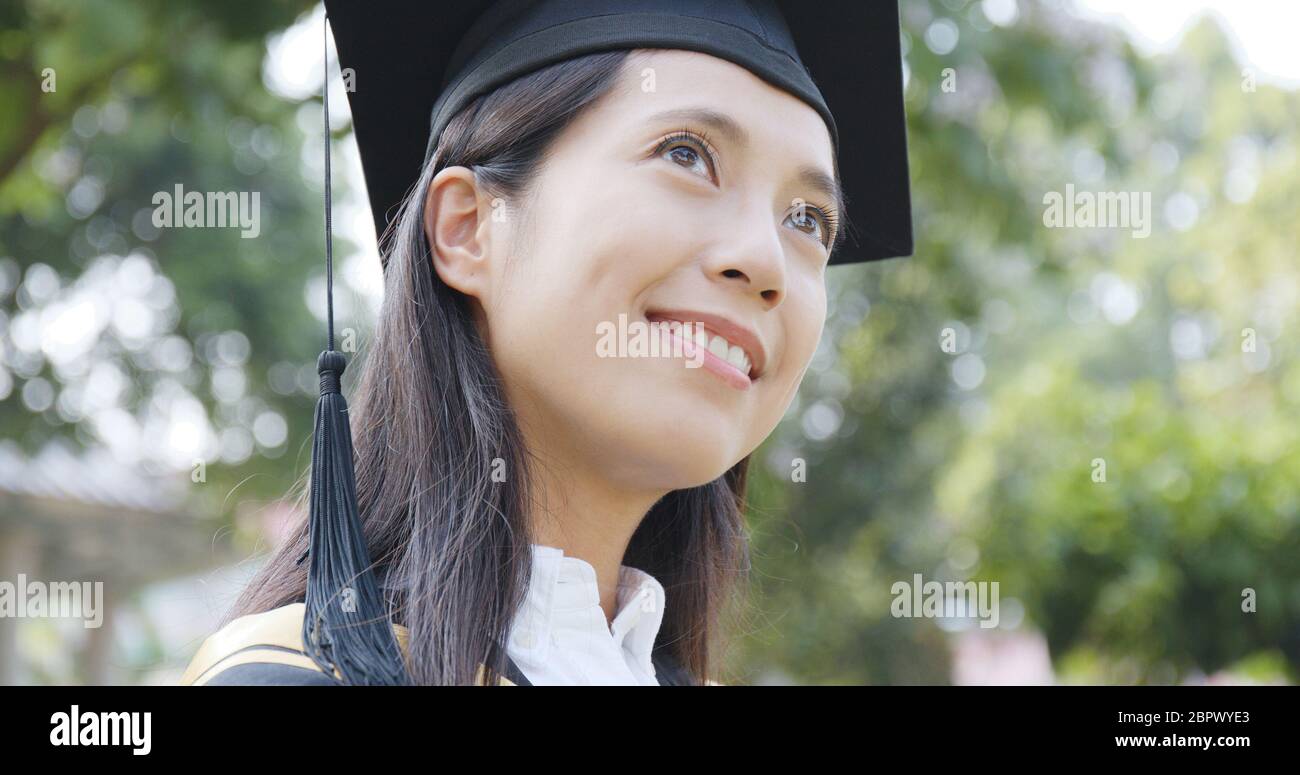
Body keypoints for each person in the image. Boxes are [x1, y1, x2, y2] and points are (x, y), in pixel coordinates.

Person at [180, 0, 912, 686]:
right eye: (687, 154)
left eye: (809, 219)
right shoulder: (298, 674)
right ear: (469, 227)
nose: (766, 261)